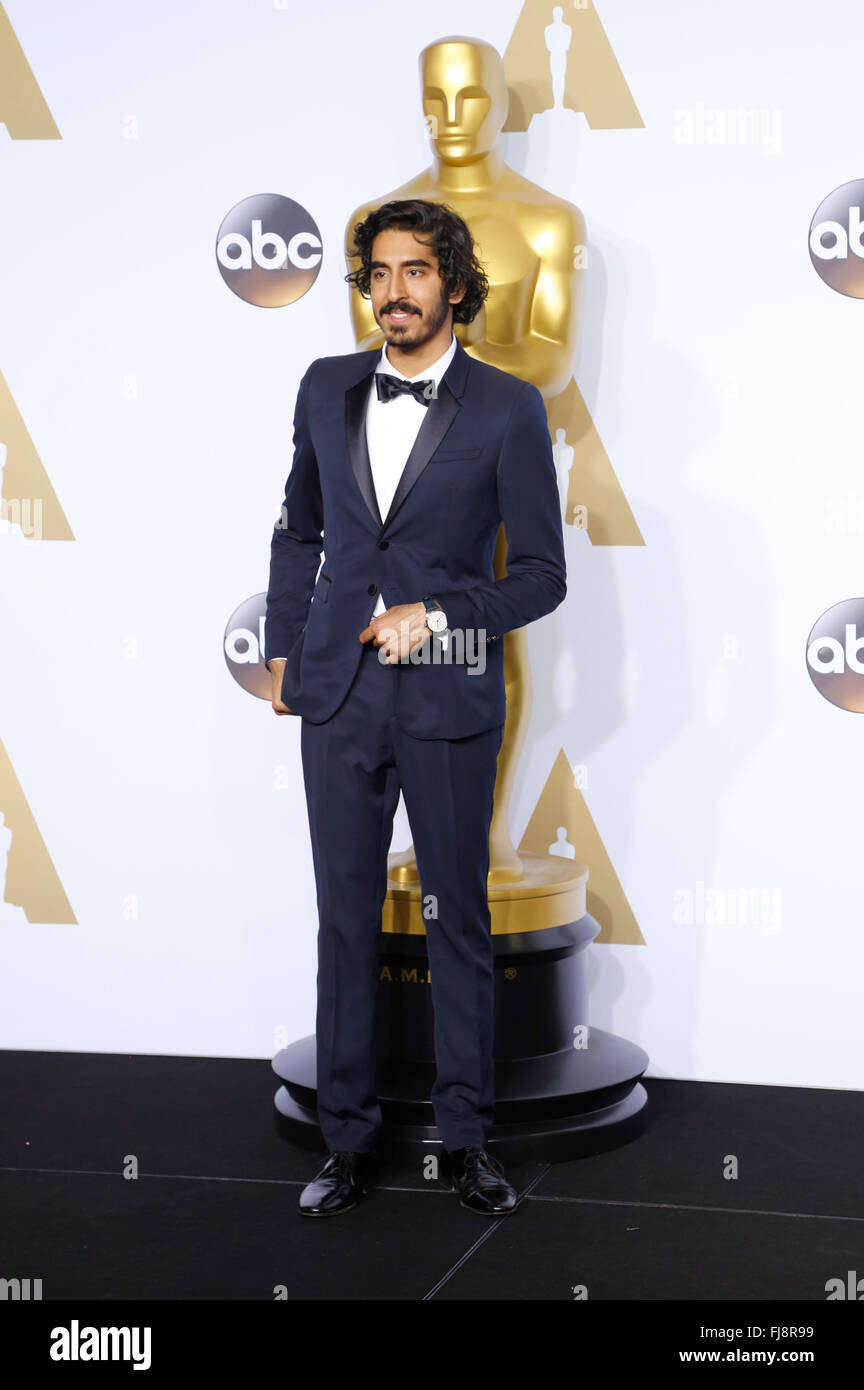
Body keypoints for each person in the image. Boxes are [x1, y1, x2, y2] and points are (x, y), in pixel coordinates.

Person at [264, 199, 566, 1216]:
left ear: (456, 284)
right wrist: (282, 650)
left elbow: (539, 577)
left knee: (458, 924)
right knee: (344, 924)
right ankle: (345, 1143)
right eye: (378, 273)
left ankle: (470, 1140)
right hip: (338, 701)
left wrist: (434, 614)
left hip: (448, 695)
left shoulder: (509, 408)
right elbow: (297, 531)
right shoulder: (324, 387)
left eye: (414, 272)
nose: (393, 291)